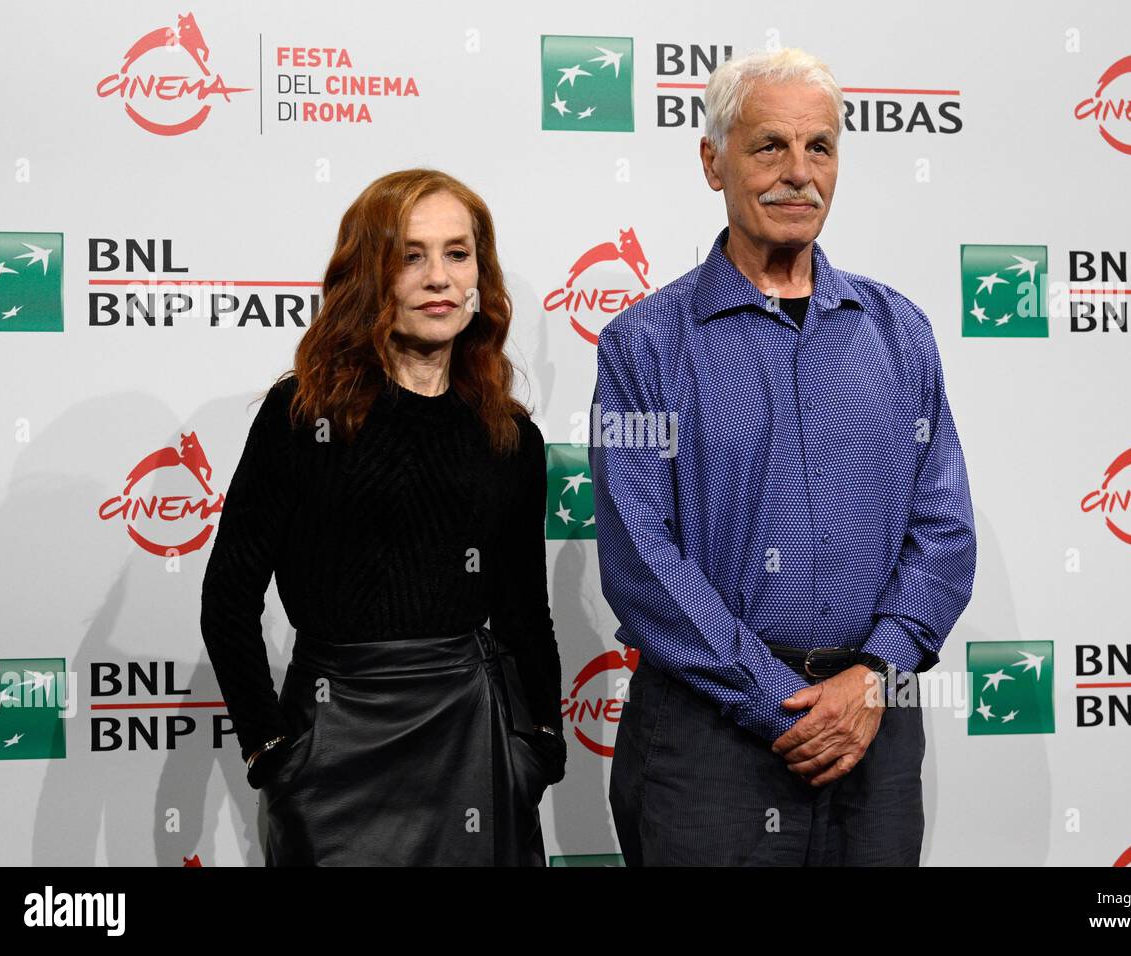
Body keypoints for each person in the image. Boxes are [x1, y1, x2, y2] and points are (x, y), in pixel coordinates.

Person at [590, 48, 976, 865]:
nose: (797, 173)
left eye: (820, 148)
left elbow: (943, 534)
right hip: (708, 744)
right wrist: (782, 702)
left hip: (873, 730)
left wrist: (873, 678)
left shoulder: (901, 332)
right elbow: (640, 559)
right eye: (769, 146)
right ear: (712, 161)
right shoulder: (644, 346)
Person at [200, 169, 566, 866]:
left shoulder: (510, 436)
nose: (438, 278)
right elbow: (228, 599)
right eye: (410, 255)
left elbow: (525, 614)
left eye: (458, 255)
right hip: (333, 741)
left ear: (480, 277)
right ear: (371, 275)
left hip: (472, 738)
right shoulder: (300, 418)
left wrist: (540, 744)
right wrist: (272, 750)